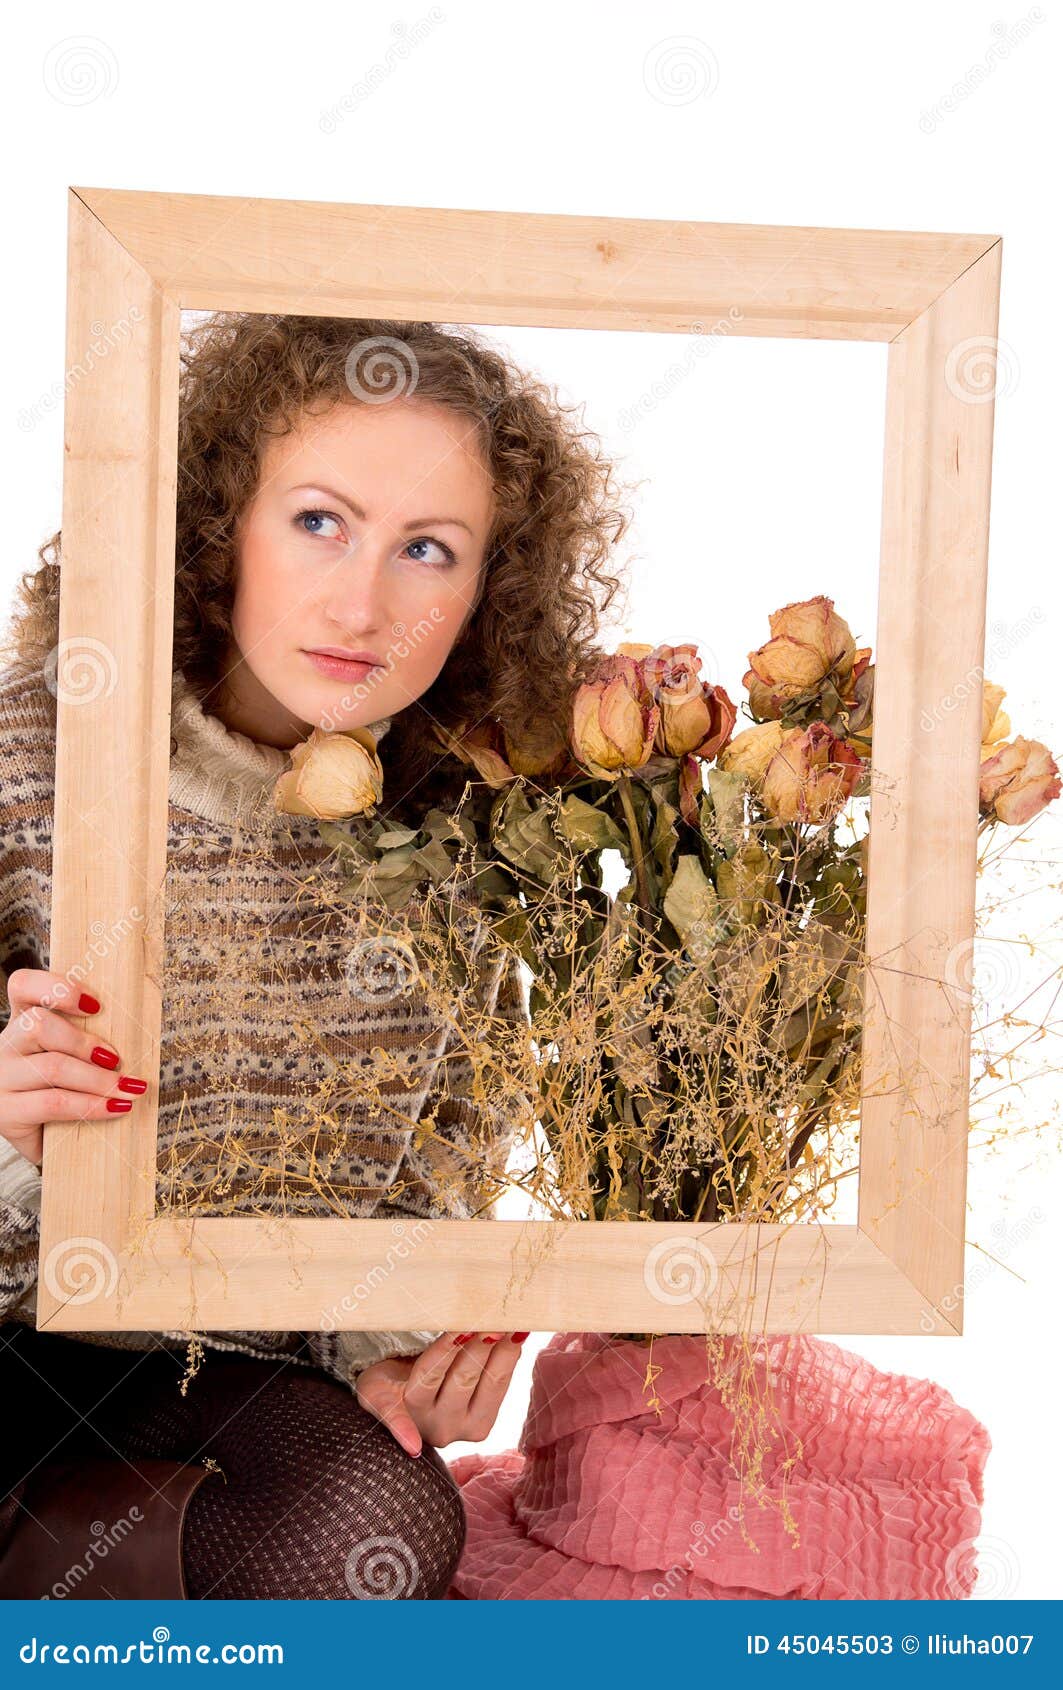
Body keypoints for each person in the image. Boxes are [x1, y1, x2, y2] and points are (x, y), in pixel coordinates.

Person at [0, 313, 628, 1599]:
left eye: (427, 549)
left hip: (194, 1391)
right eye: (319, 522)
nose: (362, 604)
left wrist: (391, 1352)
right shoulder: (30, 756)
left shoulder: (475, 841)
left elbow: (432, 1178)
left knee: (375, 1527)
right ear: (215, 525)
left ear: (488, 592)